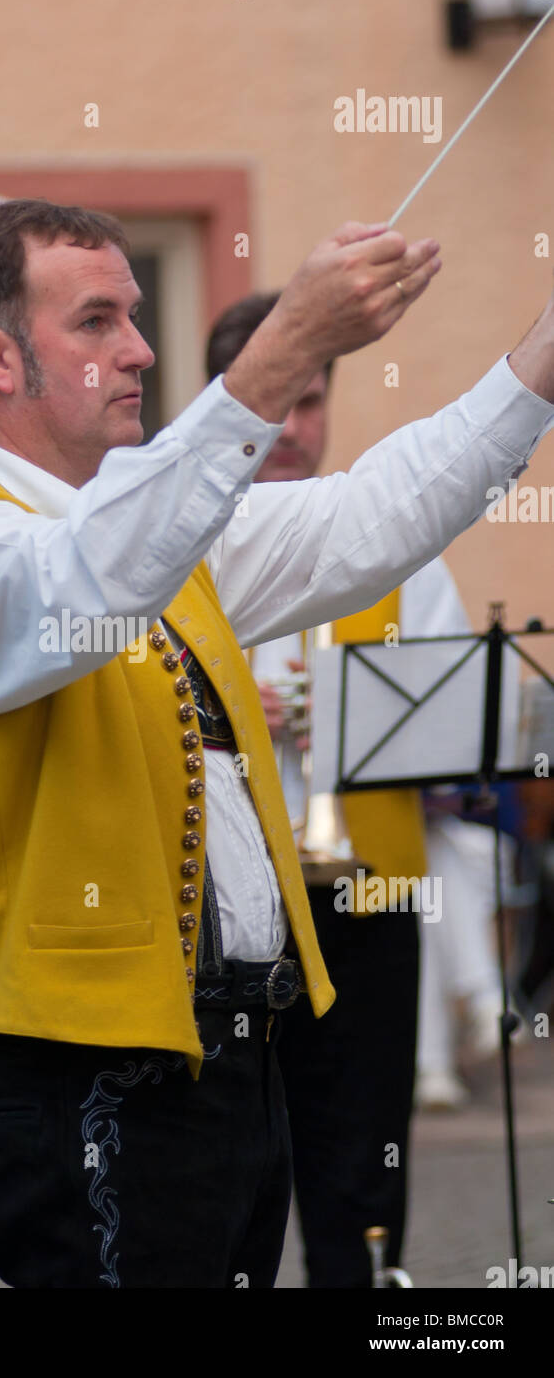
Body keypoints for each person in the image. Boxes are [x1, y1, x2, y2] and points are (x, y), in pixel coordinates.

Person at [0, 198, 554, 1289]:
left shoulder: (160, 536)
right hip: (82, 1076)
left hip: (230, 1056)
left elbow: (374, 511)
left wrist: (539, 356)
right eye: (97, 321)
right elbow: (90, 579)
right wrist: (286, 343)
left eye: (134, 318)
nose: (138, 351)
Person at [206, 290, 473, 1284]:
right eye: (274, 397)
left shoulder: (399, 548)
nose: (292, 425)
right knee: (228, 1177)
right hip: (229, 918)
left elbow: (453, 734)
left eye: (311, 400)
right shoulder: (171, 550)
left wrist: (347, 715)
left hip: (365, 898)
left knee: (360, 1175)